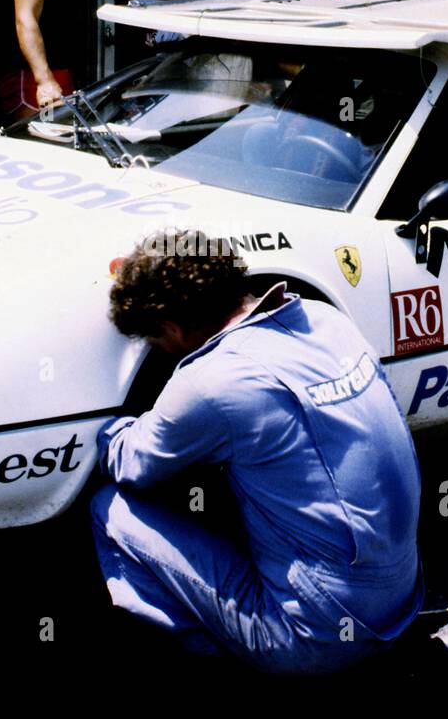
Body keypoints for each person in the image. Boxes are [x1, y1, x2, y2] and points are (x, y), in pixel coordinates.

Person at [90, 231, 423, 674]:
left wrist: (104, 427)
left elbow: (131, 463)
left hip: (314, 640)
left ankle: (217, 661)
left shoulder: (211, 381)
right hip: (400, 602)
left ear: (171, 328)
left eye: (156, 341)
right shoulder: (325, 319)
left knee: (111, 508)